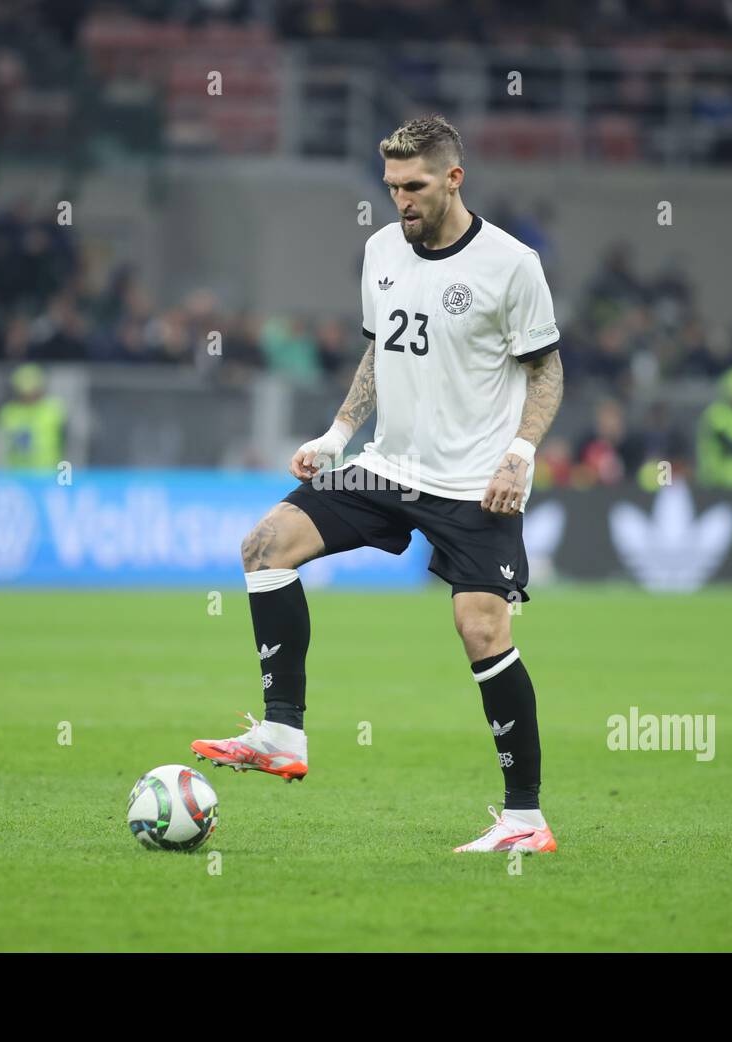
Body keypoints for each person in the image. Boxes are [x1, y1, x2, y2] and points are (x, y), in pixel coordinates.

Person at [190, 115, 564, 854]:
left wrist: (521, 451)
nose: (401, 200)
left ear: (454, 178)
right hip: (388, 463)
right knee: (264, 547)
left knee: (482, 630)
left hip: (471, 480)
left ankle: (525, 820)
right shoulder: (380, 249)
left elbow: (546, 367)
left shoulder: (511, 264)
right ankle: (280, 731)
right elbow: (379, 350)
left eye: (415, 185)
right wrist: (337, 434)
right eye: (391, 186)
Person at [0, 364, 66, 470]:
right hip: (16, 472)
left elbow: (68, 441)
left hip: (47, 471)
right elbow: (0, 443)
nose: (29, 395)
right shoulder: (8, 412)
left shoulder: (54, 409)